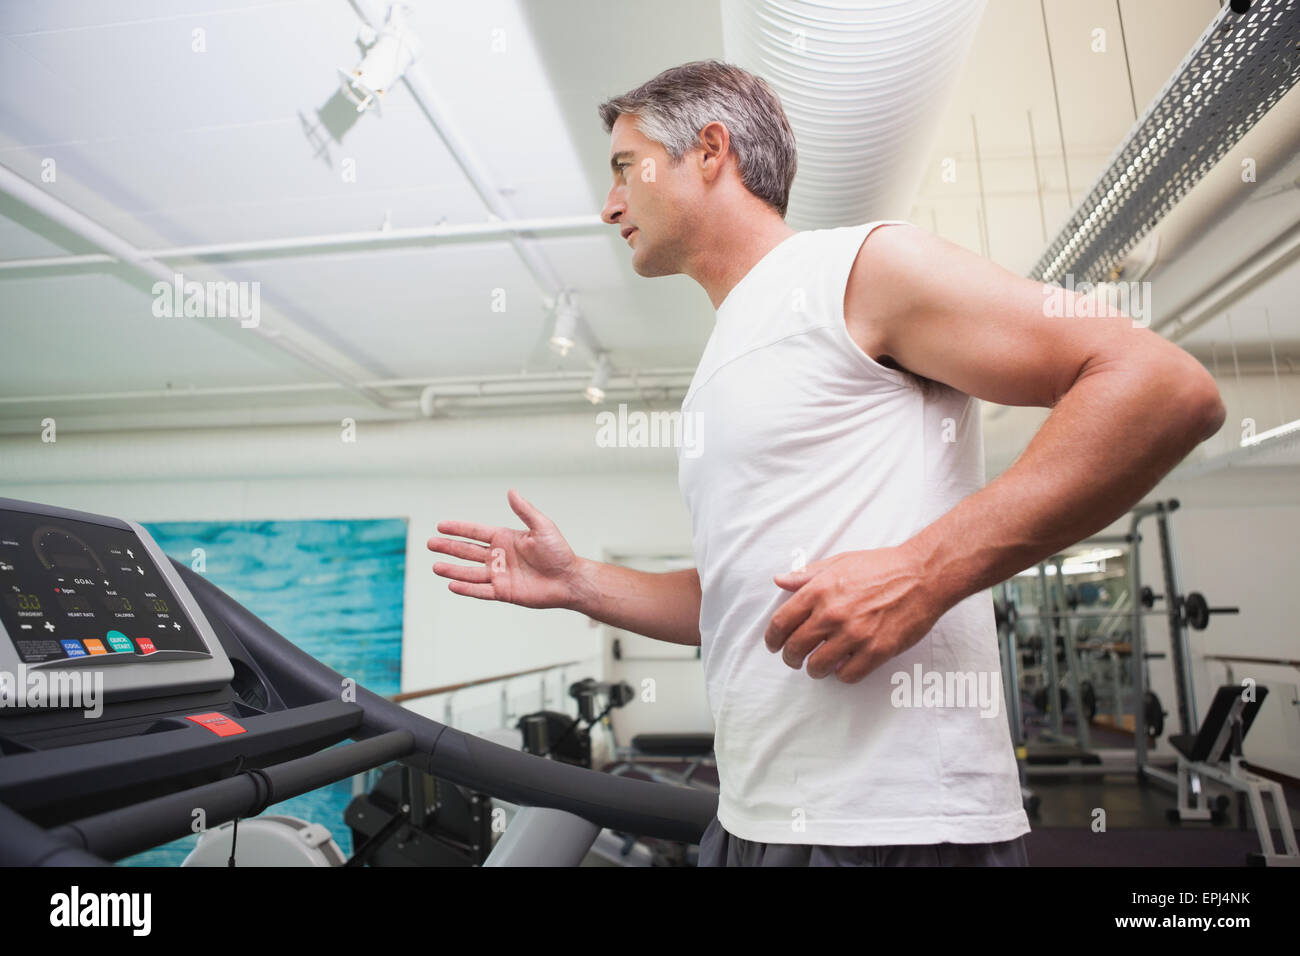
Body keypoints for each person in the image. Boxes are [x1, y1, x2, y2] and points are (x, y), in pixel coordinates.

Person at [427, 60, 1226, 867]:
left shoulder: (857, 271)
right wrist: (578, 584)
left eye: (625, 169)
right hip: (757, 817)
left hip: (894, 827)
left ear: (710, 151)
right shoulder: (726, 357)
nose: (609, 206)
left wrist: (923, 571)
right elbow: (738, 599)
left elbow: (1161, 388)